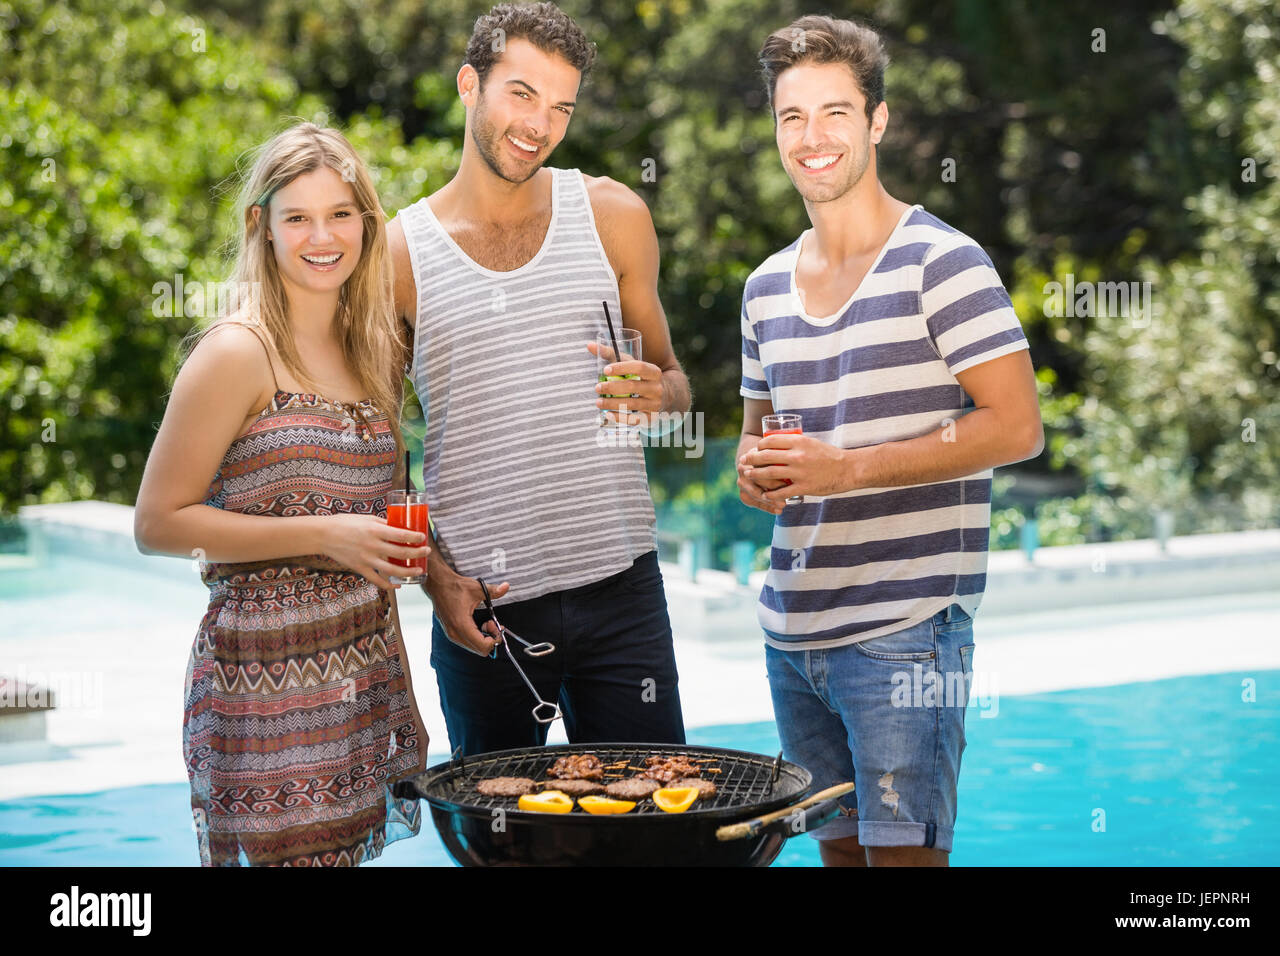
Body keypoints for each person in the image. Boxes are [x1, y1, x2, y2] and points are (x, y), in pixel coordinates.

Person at [735, 15, 1044, 866]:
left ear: (877, 121)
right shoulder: (764, 287)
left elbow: (1018, 427)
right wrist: (758, 475)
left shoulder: (943, 262)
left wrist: (846, 469)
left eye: (836, 112)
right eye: (792, 116)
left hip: (904, 636)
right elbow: (755, 450)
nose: (813, 137)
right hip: (793, 638)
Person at [387, 1, 692, 756]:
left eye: (560, 106)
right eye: (521, 94)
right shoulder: (397, 255)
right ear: (469, 85)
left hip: (624, 593)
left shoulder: (614, 215)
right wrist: (432, 576)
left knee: (653, 832)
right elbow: (378, 452)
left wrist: (662, 396)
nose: (539, 124)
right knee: (506, 838)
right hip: (484, 609)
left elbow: (676, 382)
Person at [135, 122, 432, 866]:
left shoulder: (374, 357)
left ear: (366, 222)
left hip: (361, 678)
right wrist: (324, 534)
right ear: (261, 227)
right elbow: (158, 523)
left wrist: (409, 704)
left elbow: (381, 554)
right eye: (297, 217)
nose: (321, 236)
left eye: (339, 214)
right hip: (262, 688)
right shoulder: (237, 352)